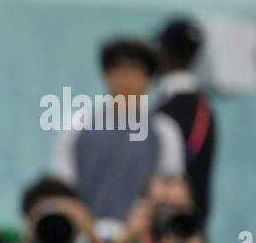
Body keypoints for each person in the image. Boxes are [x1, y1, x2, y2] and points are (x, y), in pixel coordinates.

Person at [51, 37, 184, 226]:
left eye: (134, 70)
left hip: (142, 242)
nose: (126, 79)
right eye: (118, 70)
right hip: (87, 238)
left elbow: (171, 192)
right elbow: (63, 186)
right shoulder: (78, 124)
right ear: (105, 75)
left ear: (149, 78)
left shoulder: (164, 131)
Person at [152, 19, 216, 227]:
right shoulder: (205, 110)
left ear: (163, 52)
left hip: (172, 229)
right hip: (193, 229)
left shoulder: (166, 112)